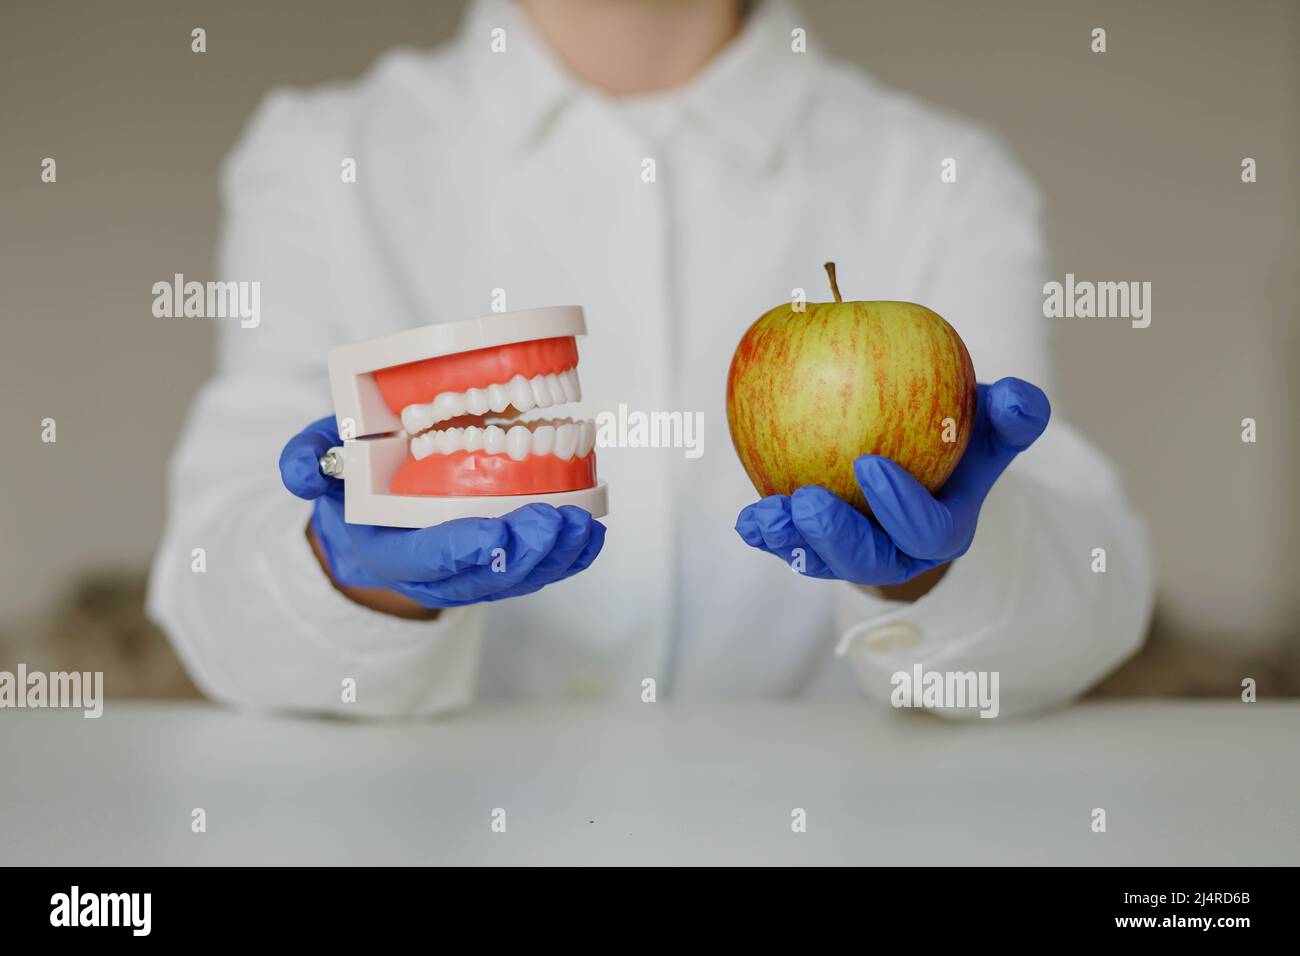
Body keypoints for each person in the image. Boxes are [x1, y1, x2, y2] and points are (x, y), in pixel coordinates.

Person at [147, 0, 1153, 717]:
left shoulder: (941, 179)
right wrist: (351, 576)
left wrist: (941, 579)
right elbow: (211, 588)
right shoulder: (322, 159)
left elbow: (1097, 595)